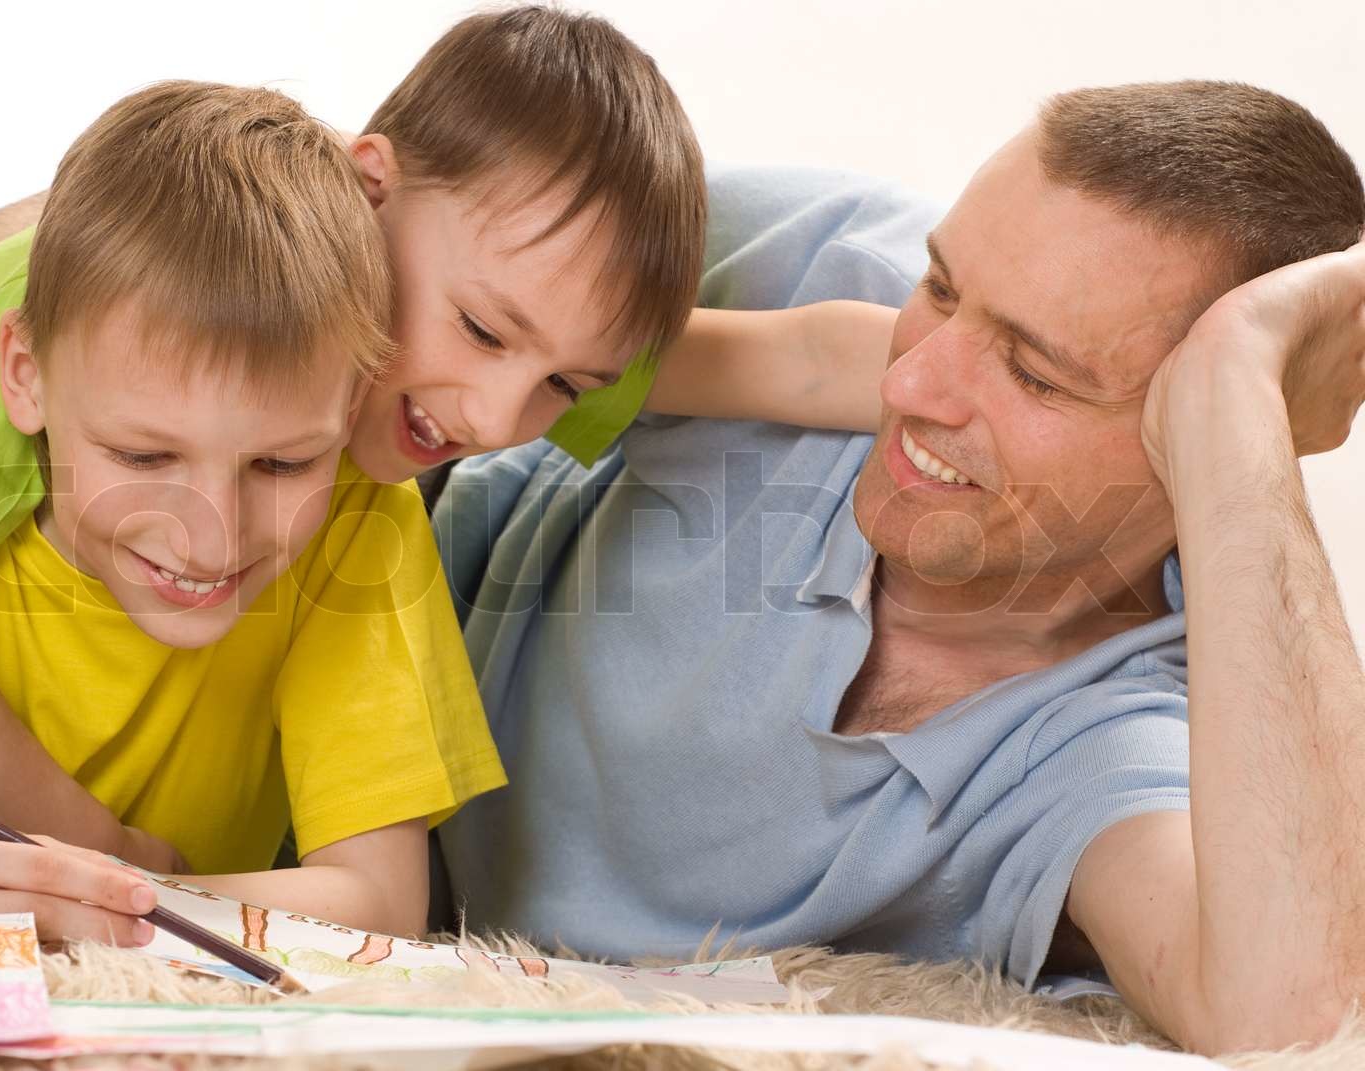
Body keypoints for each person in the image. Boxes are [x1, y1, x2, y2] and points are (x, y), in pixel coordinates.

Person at [431, 81, 1365, 1054]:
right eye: (942, 289)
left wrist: (1239, 383)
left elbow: (1302, 1021)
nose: (905, 383)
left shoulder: (1107, 741)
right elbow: (364, 235)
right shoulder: (813, 258)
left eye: (1035, 374)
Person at [0, 6, 710, 869]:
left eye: (284, 459)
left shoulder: (455, 399)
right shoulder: (41, 340)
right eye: (481, 330)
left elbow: (757, 360)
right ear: (370, 186)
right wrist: (99, 856)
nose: (498, 424)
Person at [0, 80, 508, 943]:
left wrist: (83, 890)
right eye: (145, 456)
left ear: (351, 411)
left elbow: (378, 905)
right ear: (24, 374)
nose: (210, 536)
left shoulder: (359, 522)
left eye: (281, 462)